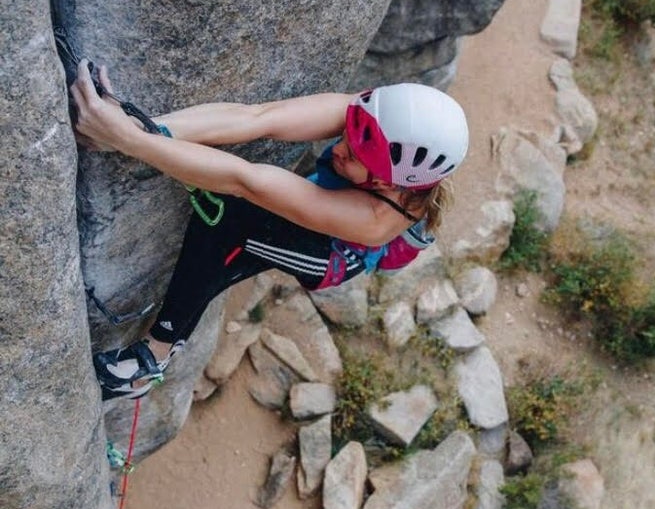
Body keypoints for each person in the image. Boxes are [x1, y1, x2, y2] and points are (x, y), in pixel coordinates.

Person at [71, 61, 469, 399]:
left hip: (330, 252)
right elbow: (258, 118)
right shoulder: (366, 119)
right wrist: (144, 128)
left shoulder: (375, 219)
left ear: (386, 183)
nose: (341, 145)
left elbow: (247, 182)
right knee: (234, 218)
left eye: (356, 154)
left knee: (232, 222)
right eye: (348, 133)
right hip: (325, 202)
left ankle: (157, 354)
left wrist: (127, 142)